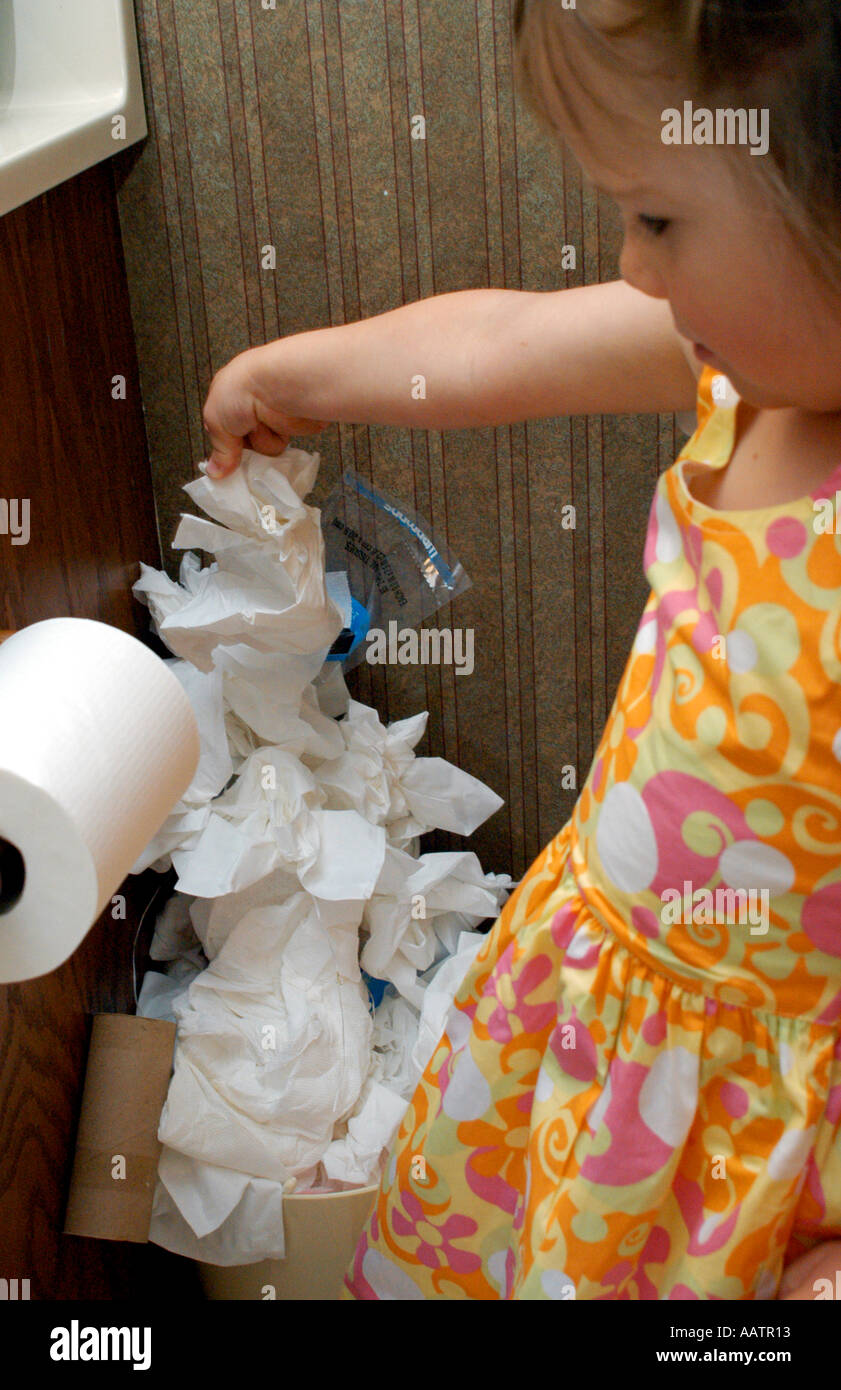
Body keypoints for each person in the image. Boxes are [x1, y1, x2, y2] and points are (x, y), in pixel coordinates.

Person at [201, 0, 841, 1300]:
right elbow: (497, 347)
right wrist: (285, 375)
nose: (634, 266)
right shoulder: (762, 367)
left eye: (657, 219)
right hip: (586, 1009)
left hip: (731, 1148)